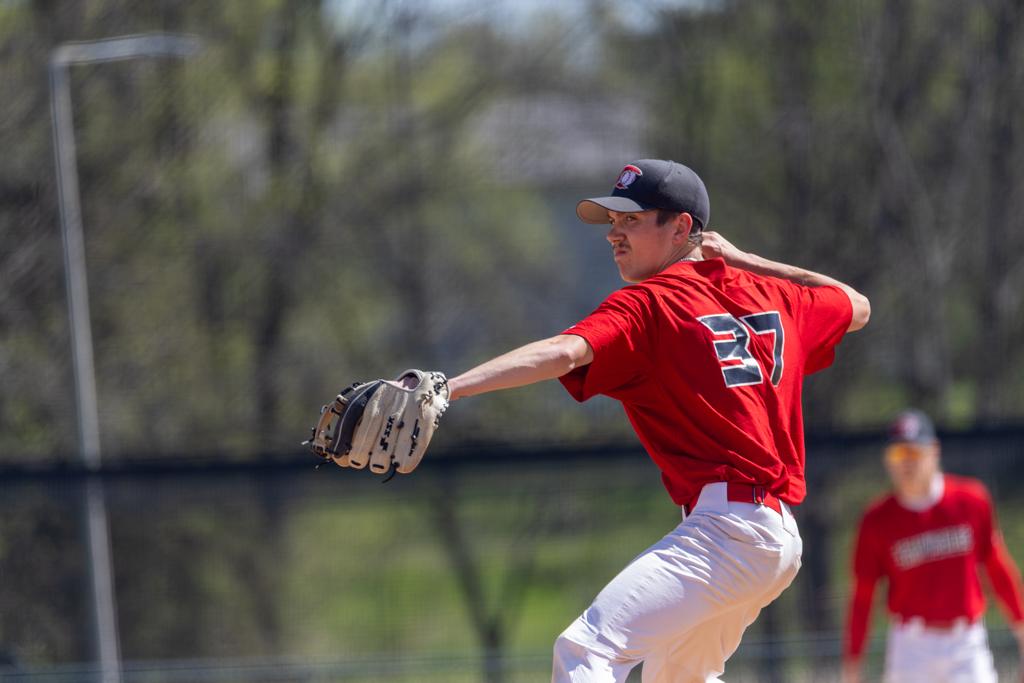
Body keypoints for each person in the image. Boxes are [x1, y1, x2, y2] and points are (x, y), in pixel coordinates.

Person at [445, 158, 870, 682]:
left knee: (586, 650)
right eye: (612, 223)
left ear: (682, 227)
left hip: (728, 529)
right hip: (771, 536)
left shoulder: (650, 304)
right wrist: (748, 259)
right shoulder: (772, 295)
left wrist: (452, 387)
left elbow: (564, 351)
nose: (614, 235)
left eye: (632, 220)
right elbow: (855, 304)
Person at [842, 409, 1024, 683]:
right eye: (898, 455)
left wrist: (1021, 626)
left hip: (966, 642)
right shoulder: (877, 519)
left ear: (934, 451)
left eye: (914, 453)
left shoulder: (971, 501)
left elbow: (997, 566)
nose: (906, 463)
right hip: (911, 646)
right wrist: (853, 664)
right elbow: (863, 595)